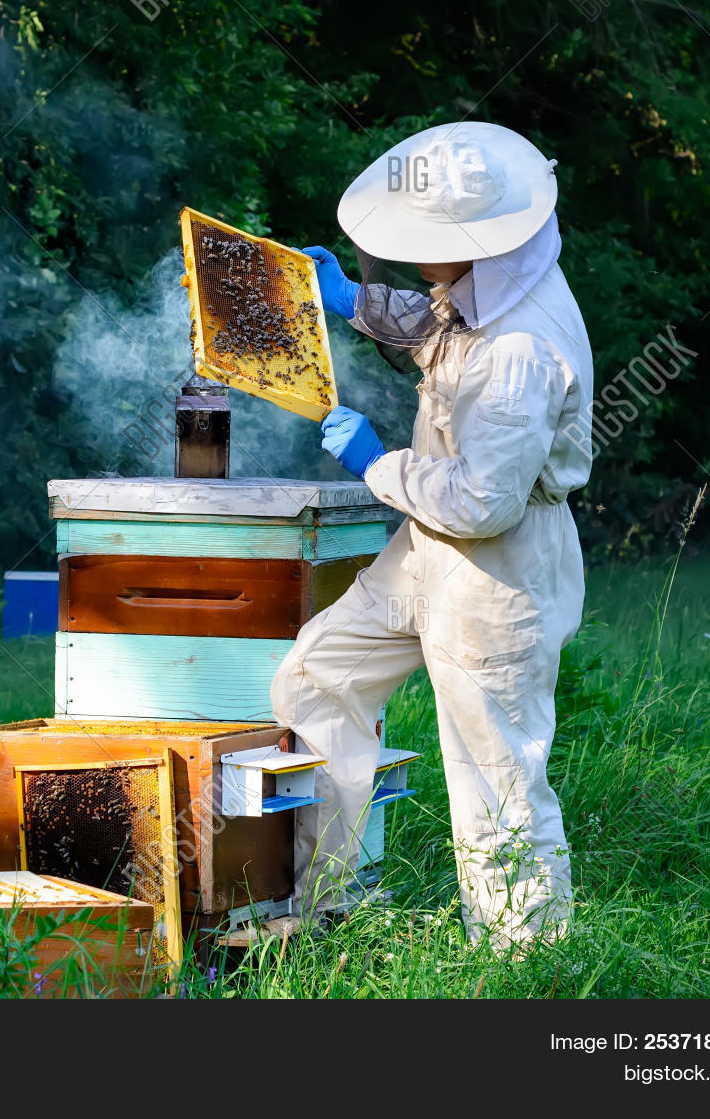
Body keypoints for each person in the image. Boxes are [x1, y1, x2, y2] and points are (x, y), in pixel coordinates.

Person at [270, 121, 593, 952]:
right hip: (427, 550)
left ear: (480, 242)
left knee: (494, 775)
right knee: (318, 676)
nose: (415, 260)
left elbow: (486, 503)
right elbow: (441, 327)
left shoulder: (520, 351)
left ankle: (525, 960)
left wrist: (379, 465)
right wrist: (353, 302)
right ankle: (331, 897)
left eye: (428, 245)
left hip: (496, 571)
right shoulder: (491, 288)